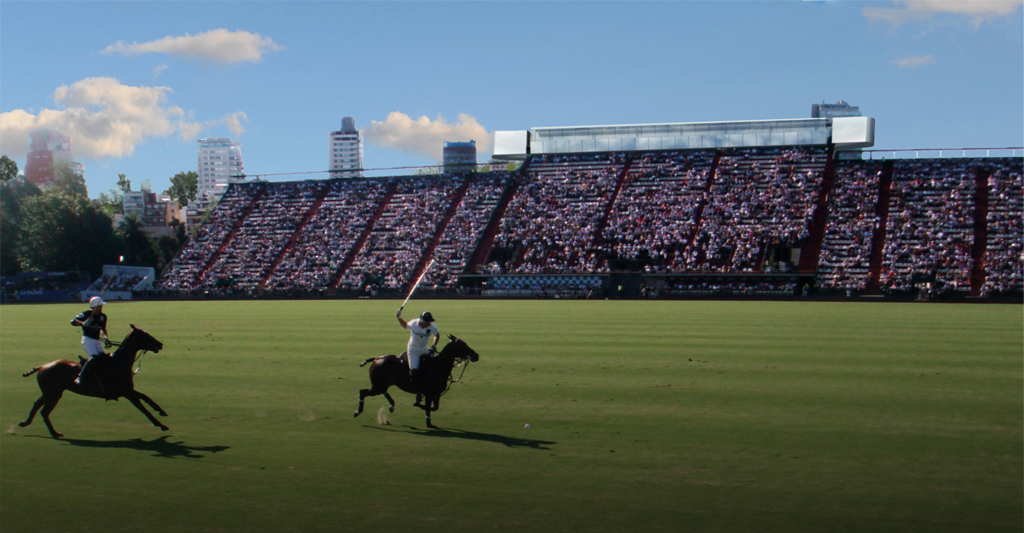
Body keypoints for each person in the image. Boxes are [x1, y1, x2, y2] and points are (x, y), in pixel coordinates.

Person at [72, 296, 111, 389]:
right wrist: (82, 323)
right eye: (99, 306)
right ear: (94, 307)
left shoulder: (103, 317)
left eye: (101, 306)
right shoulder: (87, 314)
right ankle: (80, 377)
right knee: (94, 358)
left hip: (97, 340)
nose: (101, 308)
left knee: (104, 358)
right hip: (87, 340)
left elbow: (103, 329)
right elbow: (73, 322)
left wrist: (106, 338)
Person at [396, 309, 439, 390]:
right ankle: (418, 393)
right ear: (422, 320)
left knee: (434, 367)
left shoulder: (432, 327)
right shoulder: (414, 323)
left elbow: (437, 335)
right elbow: (405, 325)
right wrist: (399, 318)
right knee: (414, 372)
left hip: (424, 350)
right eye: (427, 322)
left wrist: (434, 345)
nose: (429, 323)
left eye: (429, 321)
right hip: (413, 351)